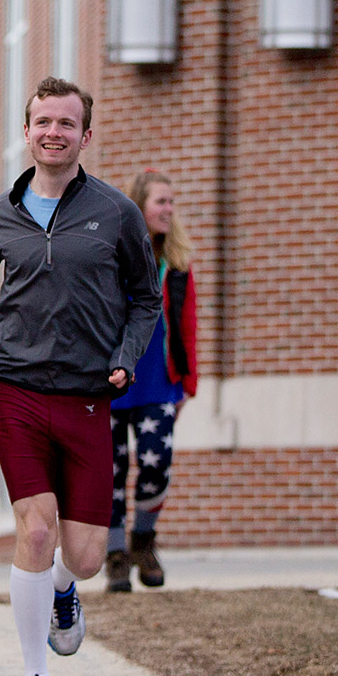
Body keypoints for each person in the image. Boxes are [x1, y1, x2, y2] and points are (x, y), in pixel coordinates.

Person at [0, 76, 160, 676]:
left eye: (67, 124)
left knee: (87, 556)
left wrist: (125, 360)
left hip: (90, 399)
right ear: (27, 130)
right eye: (43, 122)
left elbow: (146, 300)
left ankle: (65, 590)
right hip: (17, 392)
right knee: (35, 530)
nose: (54, 133)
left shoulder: (116, 214)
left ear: (85, 136)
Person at [106, 169, 198, 592]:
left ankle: (143, 540)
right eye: (161, 201)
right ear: (139, 206)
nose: (169, 209)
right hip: (112, 379)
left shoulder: (176, 262)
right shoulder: (114, 251)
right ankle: (115, 554)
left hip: (160, 381)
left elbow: (188, 324)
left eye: (171, 202)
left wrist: (188, 384)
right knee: (111, 471)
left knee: (155, 465)